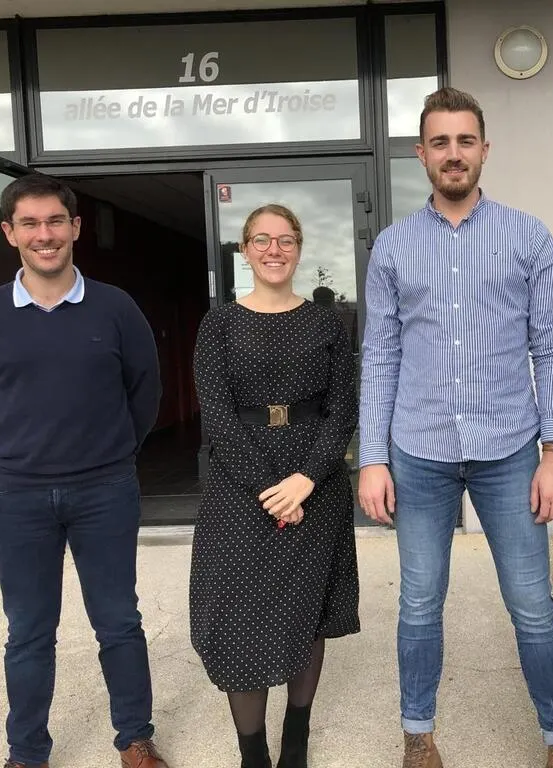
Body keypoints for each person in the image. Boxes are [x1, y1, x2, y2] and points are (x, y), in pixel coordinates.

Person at [358, 87, 553, 768]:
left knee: (533, 605)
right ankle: (418, 736)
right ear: (421, 153)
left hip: (510, 447)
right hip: (418, 449)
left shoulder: (529, 238)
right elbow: (381, 354)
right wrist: (372, 458)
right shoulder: (393, 248)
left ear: (484, 148)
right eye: (439, 142)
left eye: (464, 141)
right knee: (420, 603)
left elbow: (550, 347)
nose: (452, 154)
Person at [0, 175, 169, 768]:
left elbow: (144, 393)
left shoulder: (116, 308)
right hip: (16, 494)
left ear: (75, 228)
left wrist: (112, 452)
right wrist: (9, 453)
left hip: (104, 489)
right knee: (28, 631)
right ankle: (27, 752)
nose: (44, 235)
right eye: (30, 223)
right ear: (10, 233)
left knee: (118, 622)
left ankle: (135, 739)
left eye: (54, 222)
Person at [189, 204, 360, 768]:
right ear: (245, 250)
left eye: (285, 240)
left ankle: (296, 740)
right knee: (239, 618)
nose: (274, 250)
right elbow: (217, 416)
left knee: (307, 611)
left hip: (317, 480)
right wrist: (271, 490)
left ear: (299, 249)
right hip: (242, 487)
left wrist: (306, 479)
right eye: (261, 240)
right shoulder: (219, 324)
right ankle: (253, 754)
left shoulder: (325, 322)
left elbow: (342, 408)